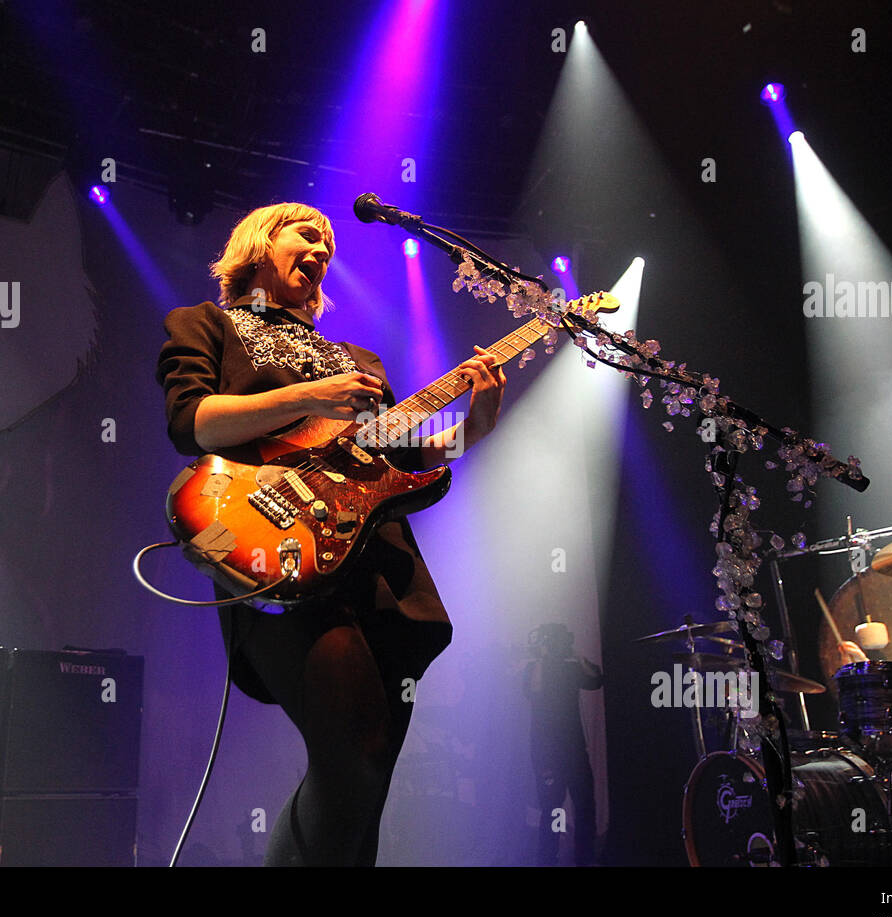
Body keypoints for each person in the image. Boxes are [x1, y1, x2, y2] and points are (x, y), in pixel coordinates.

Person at [156, 202, 505, 865]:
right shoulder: (207, 324)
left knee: (366, 793)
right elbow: (192, 422)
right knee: (356, 753)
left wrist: (475, 424)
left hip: (378, 570)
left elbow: (396, 458)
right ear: (260, 242)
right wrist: (308, 399)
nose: (320, 248)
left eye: (328, 244)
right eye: (306, 234)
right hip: (277, 551)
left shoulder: (357, 360)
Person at [524, 623, 602, 865]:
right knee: (552, 808)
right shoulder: (533, 668)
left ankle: (584, 859)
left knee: (585, 806)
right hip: (547, 751)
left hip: (574, 749)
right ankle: (548, 859)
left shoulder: (570, 669)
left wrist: (576, 656)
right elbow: (532, 691)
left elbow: (596, 680)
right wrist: (541, 659)